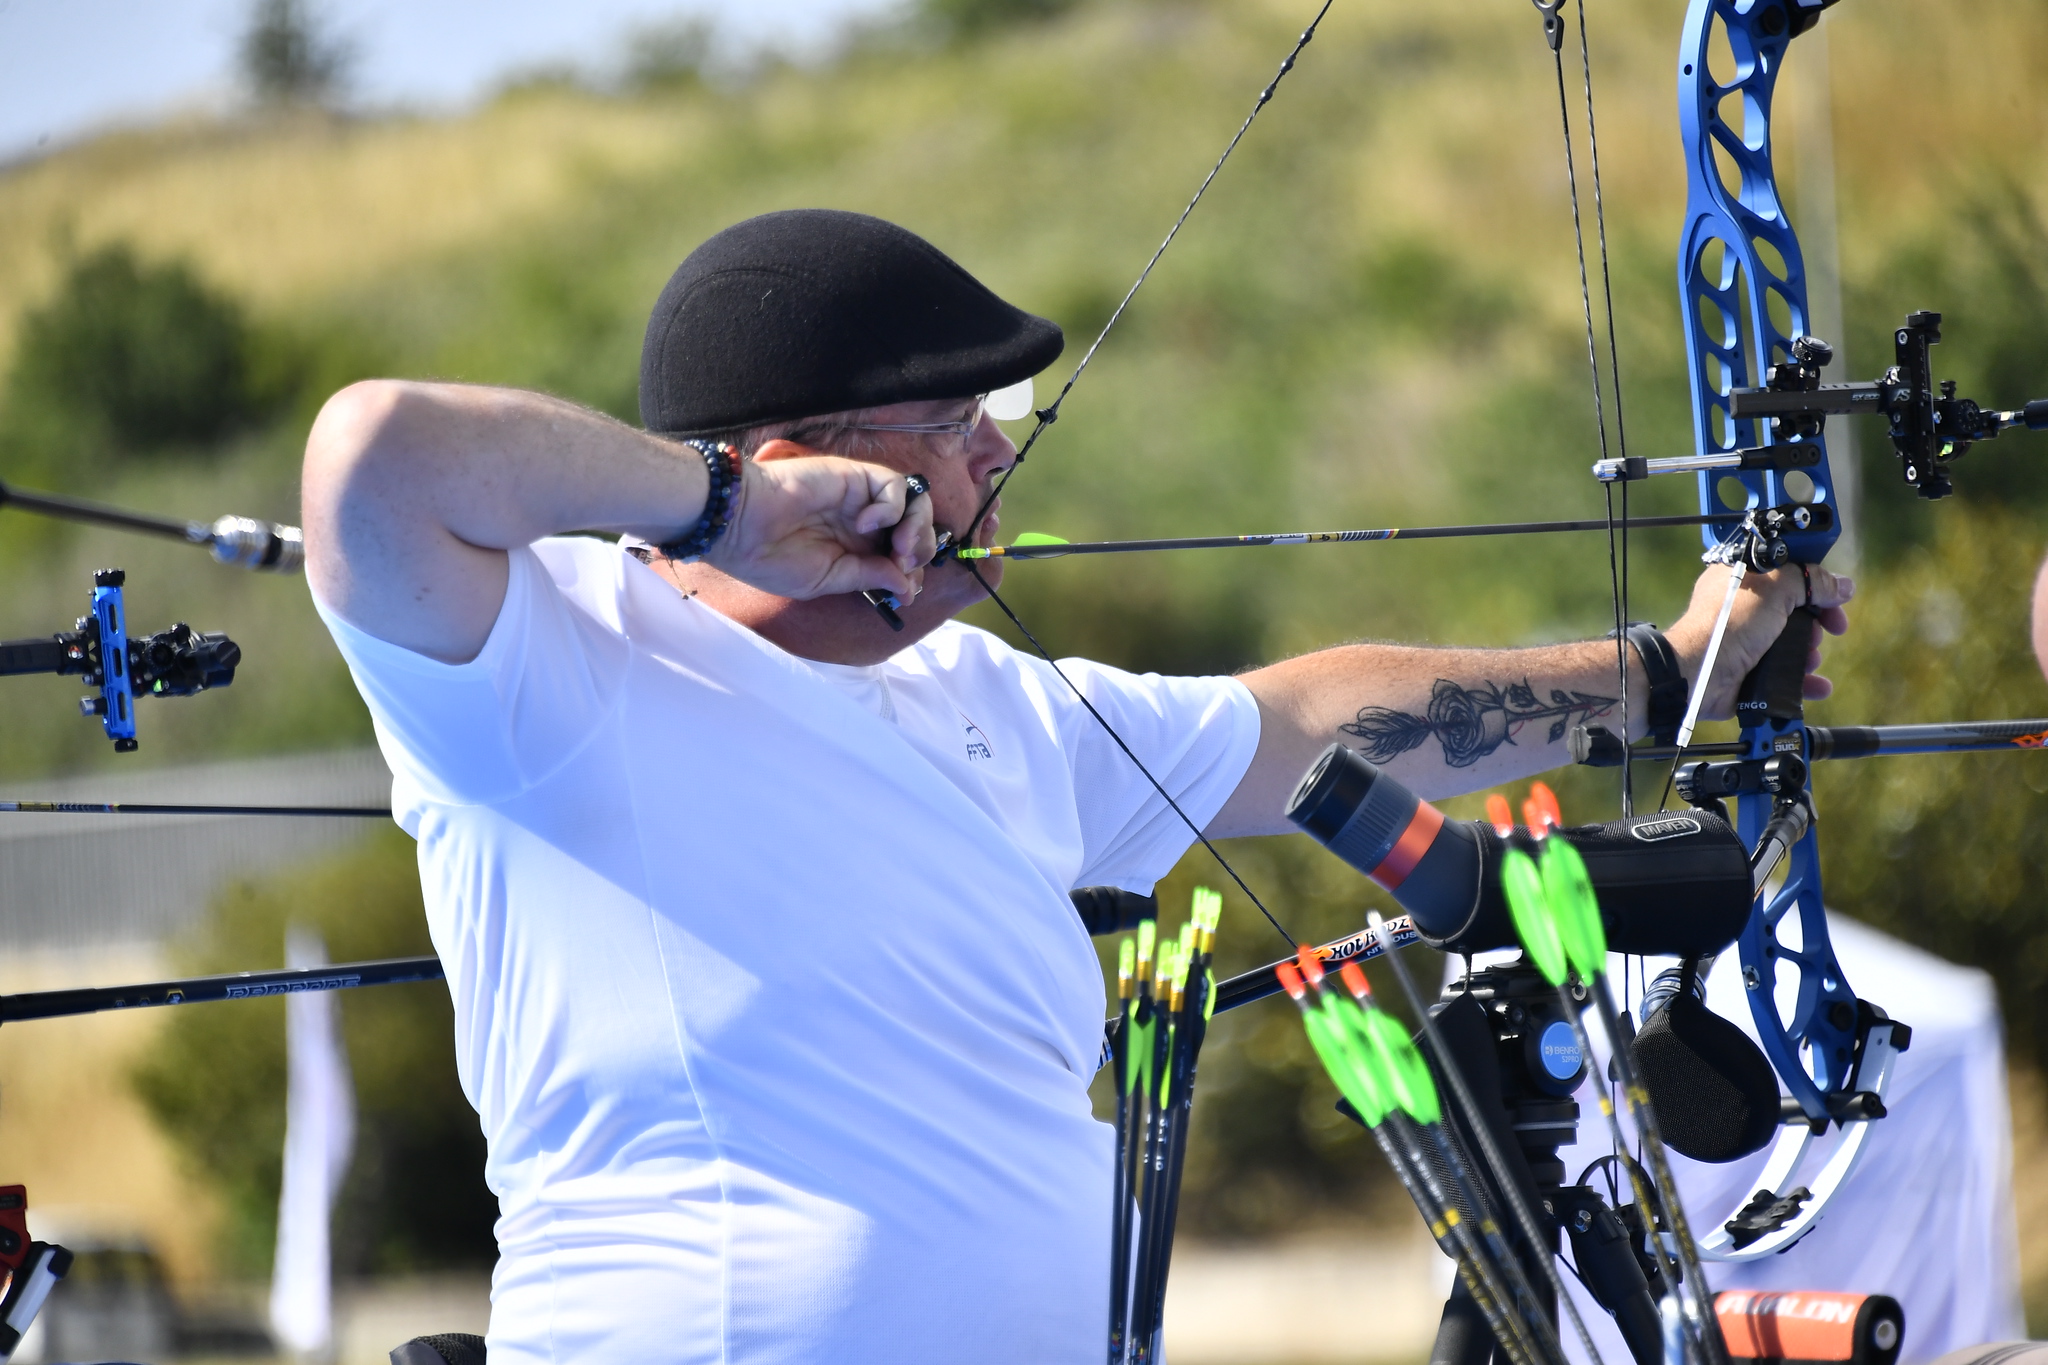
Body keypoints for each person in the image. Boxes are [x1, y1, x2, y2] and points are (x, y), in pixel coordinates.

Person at [301, 208, 1852, 1364]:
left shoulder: (988, 701)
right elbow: (372, 459)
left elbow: (1317, 726)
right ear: (803, 467)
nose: (998, 462)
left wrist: (1673, 666)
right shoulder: (551, 668)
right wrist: (716, 507)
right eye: (954, 428)